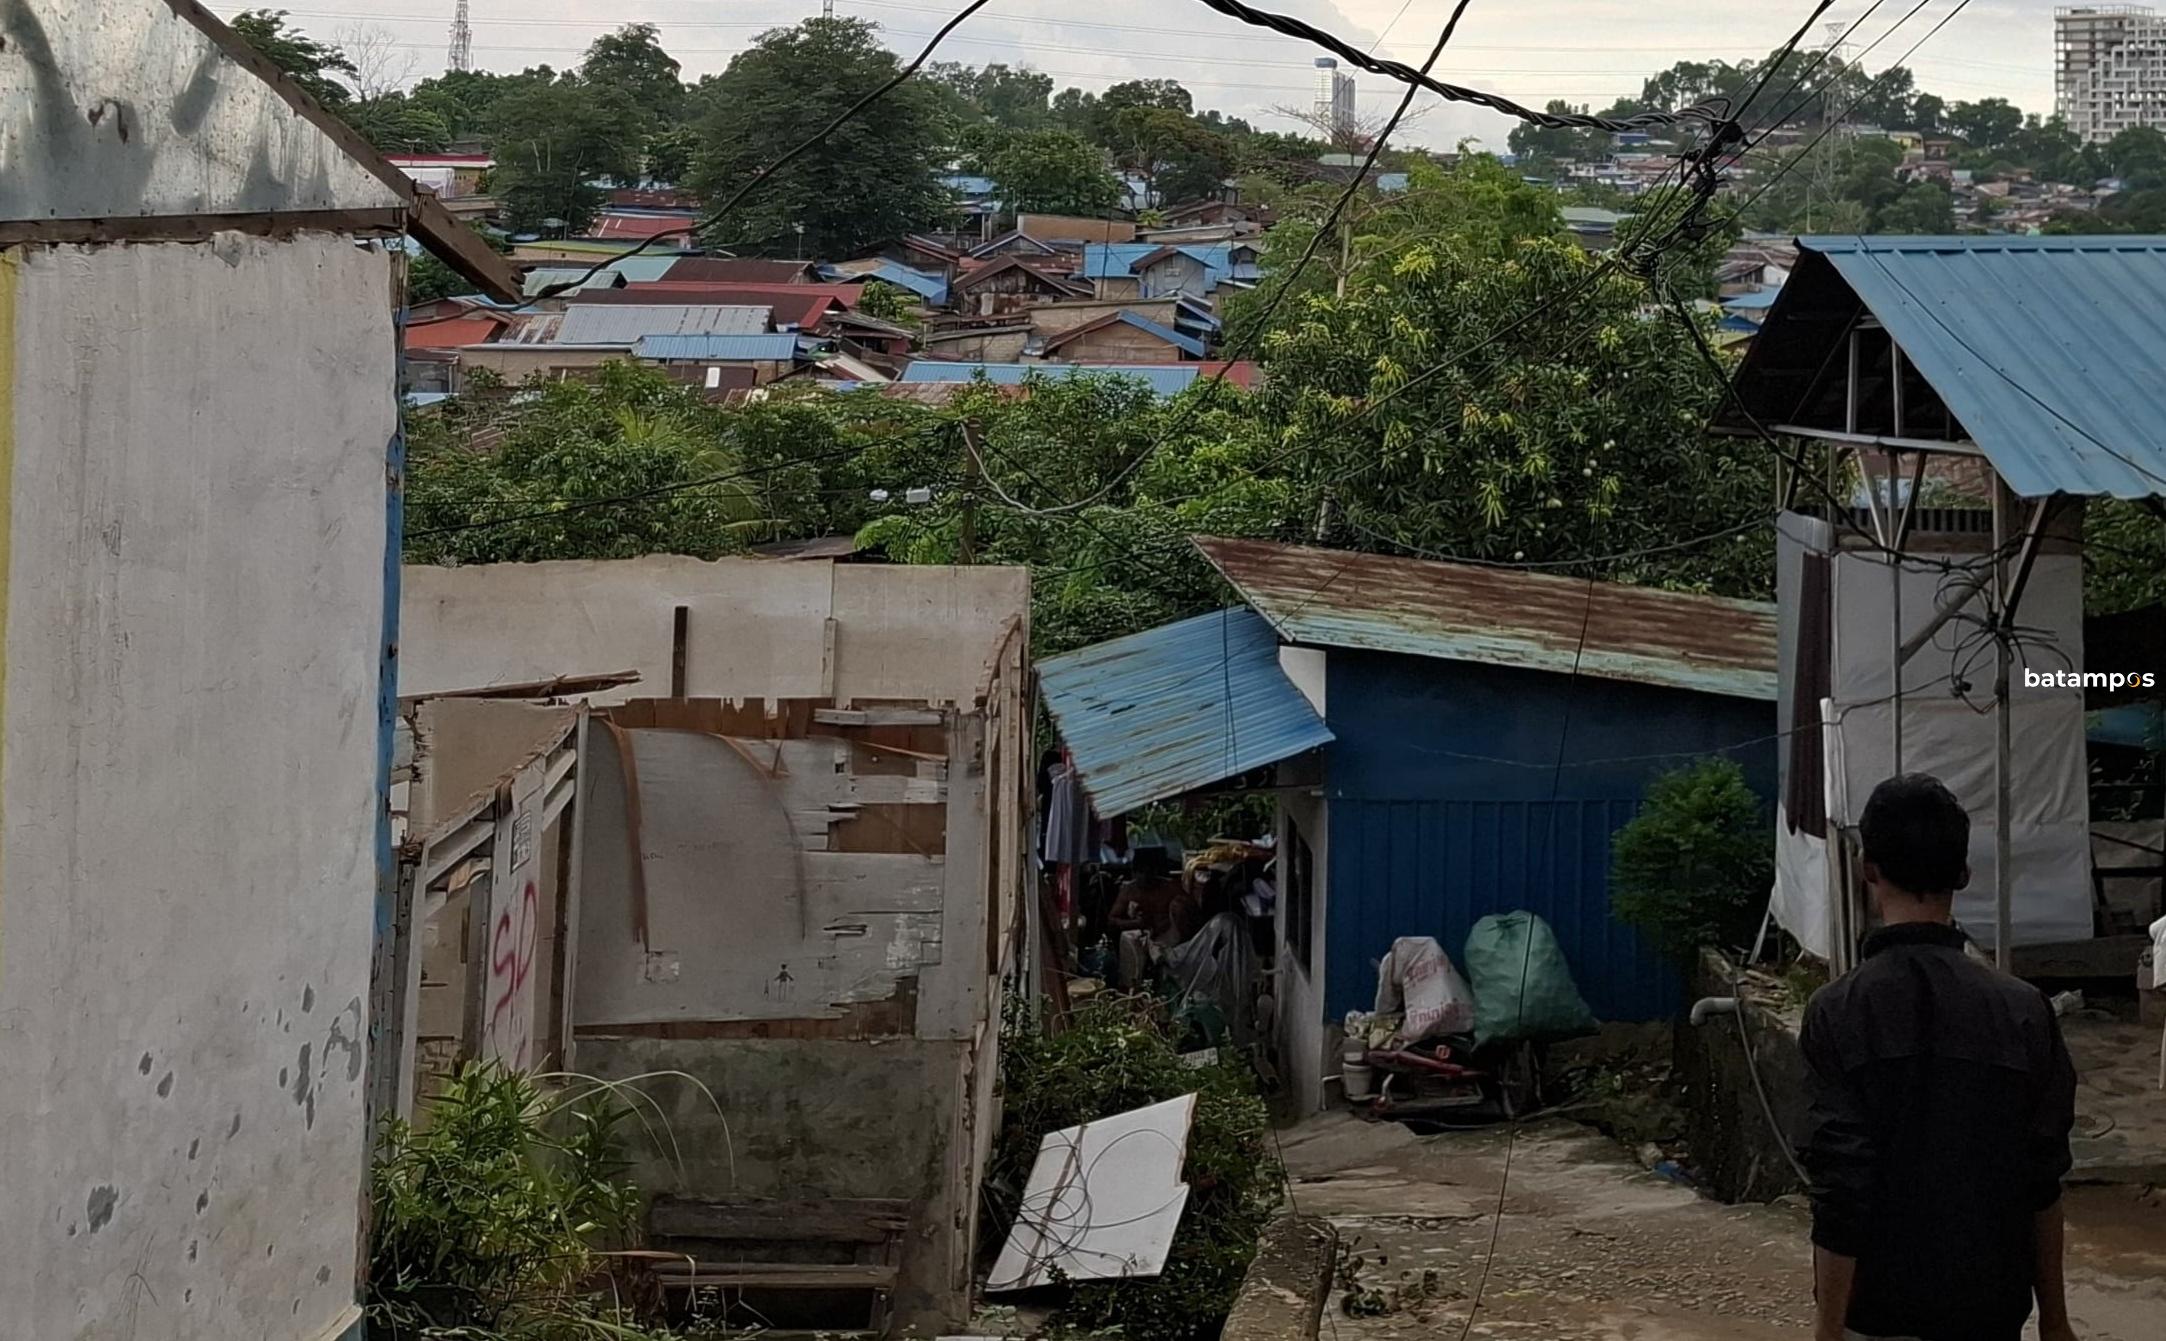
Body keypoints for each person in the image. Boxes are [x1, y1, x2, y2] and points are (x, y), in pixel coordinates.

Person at [1798, 773, 2078, 1341]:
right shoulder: (2023, 1011)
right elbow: (2043, 1180)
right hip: (1990, 1315)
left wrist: (1827, 1332)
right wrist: (2055, 1320)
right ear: (1963, 874)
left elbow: (1841, 1191)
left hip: (1878, 1315)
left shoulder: (1837, 1013)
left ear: (1868, 870)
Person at [1109, 846, 1186, 943]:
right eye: (1141, 872)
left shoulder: (1171, 888)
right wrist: (1134, 923)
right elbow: (1112, 920)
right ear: (1134, 873)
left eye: (1149, 871)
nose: (1145, 876)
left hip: (1170, 939)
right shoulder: (1128, 891)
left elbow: (1187, 914)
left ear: (1155, 871)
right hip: (1139, 940)